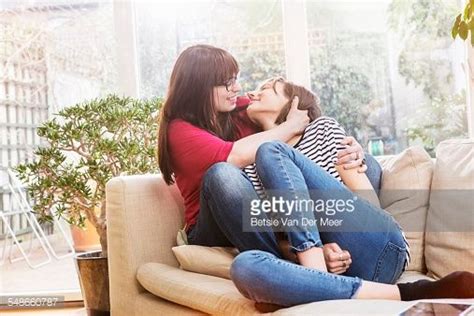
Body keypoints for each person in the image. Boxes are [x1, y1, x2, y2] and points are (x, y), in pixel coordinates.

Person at [229, 77, 474, 306]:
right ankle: (404, 293)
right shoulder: (250, 170)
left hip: (376, 246)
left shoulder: (321, 130)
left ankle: (314, 276)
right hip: (341, 271)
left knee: (271, 151)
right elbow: (281, 237)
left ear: (294, 103)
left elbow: (370, 209)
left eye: (267, 88)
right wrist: (321, 254)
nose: (253, 92)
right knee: (245, 266)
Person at [157, 44, 367, 257]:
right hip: (213, 223)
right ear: (200, 87)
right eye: (227, 83)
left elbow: (290, 107)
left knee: (367, 164)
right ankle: (286, 257)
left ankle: (319, 248)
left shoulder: (237, 111)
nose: (237, 88)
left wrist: (348, 144)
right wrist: (291, 125)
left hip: (262, 215)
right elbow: (235, 157)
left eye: (235, 79)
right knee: (222, 174)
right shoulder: (180, 131)